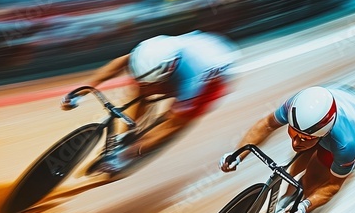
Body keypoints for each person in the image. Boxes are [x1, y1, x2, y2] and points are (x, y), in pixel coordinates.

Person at [64, 30, 238, 175]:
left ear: (166, 75)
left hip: (214, 78)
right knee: (141, 90)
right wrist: (80, 92)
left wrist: (126, 155)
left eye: (151, 83)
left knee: (176, 120)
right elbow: (119, 64)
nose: (144, 86)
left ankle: (127, 154)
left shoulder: (191, 78)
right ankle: (131, 130)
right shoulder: (149, 51)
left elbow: (173, 125)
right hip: (192, 51)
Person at [219, 84, 355, 213]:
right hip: (336, 99)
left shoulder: (345, 143)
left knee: (314, 177)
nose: (294, 143)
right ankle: (289, 195)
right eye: (293, 132)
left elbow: (333, 185)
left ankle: (301, 194)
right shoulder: (296, 105)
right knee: (303, 152)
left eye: (304, 138)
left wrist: (305, 206)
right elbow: (267, 124)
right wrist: (237, 155)